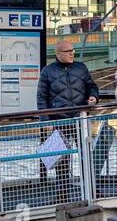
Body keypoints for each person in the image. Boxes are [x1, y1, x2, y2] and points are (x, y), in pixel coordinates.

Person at [37, 38, 100, 195]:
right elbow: (41, 97)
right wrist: (46, 121)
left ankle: (91, 189)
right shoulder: (48, 71)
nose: (72, 54)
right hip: (59, 120)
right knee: (62, 160)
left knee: (86, 154)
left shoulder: (81, 68)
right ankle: (62, 192)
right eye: (68, 51)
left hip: (81, 119)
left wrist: (93, 96)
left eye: (73, 51)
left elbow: (91, 86)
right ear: (58, 54)